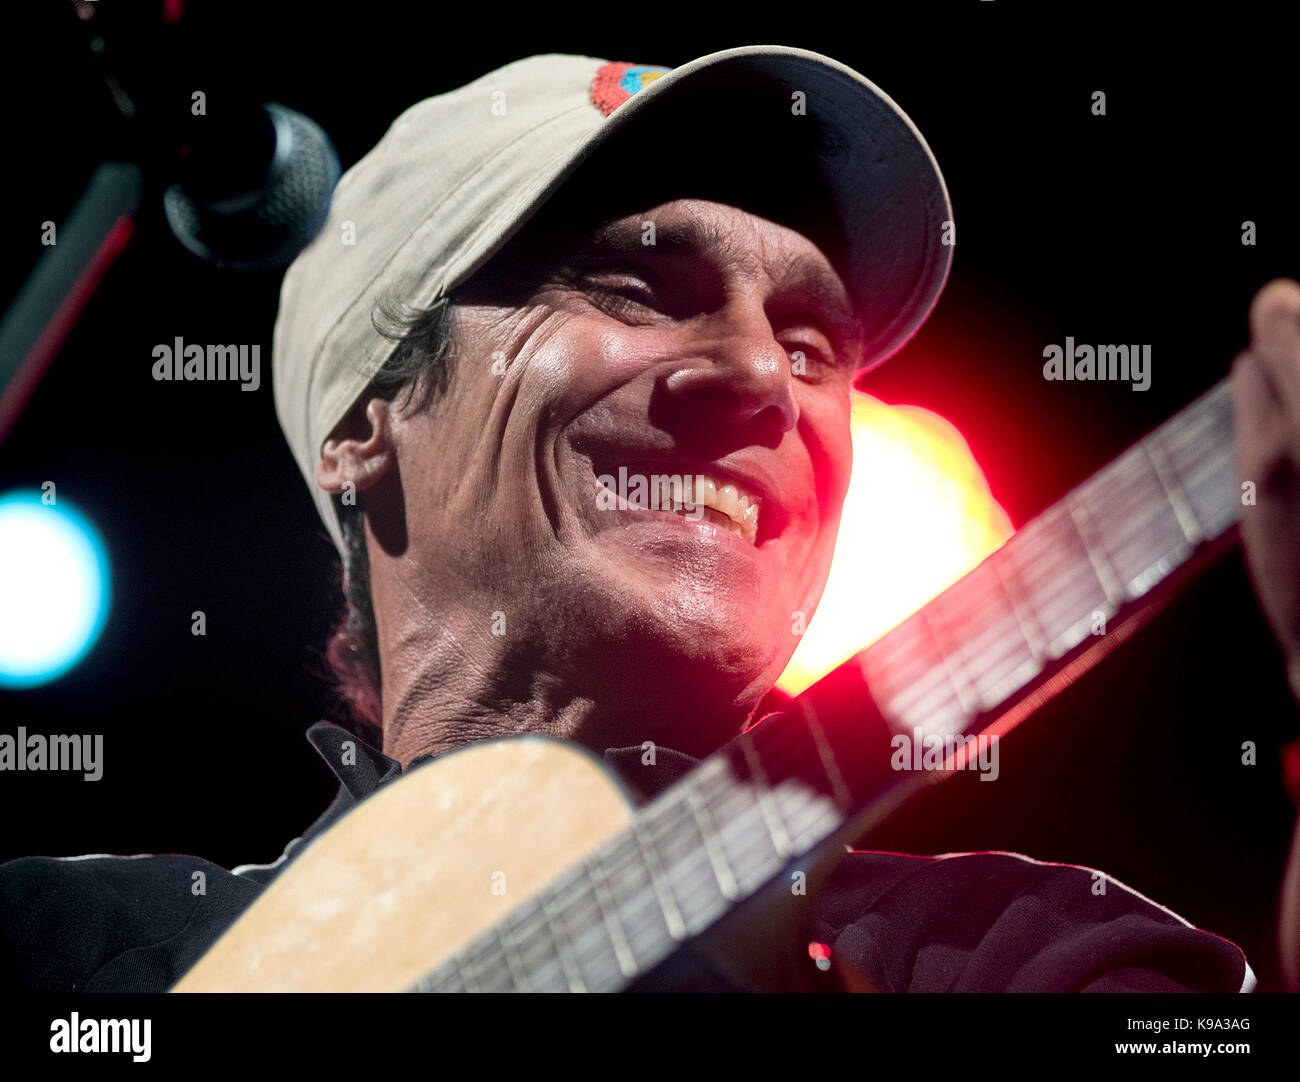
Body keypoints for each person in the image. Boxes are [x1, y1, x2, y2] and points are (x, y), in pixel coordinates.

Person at [2, 45, 1289, 992]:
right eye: (638, 286)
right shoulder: (70, 957)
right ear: (363, 422)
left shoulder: (1014, 957)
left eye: (812, 341)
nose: (759, 378)